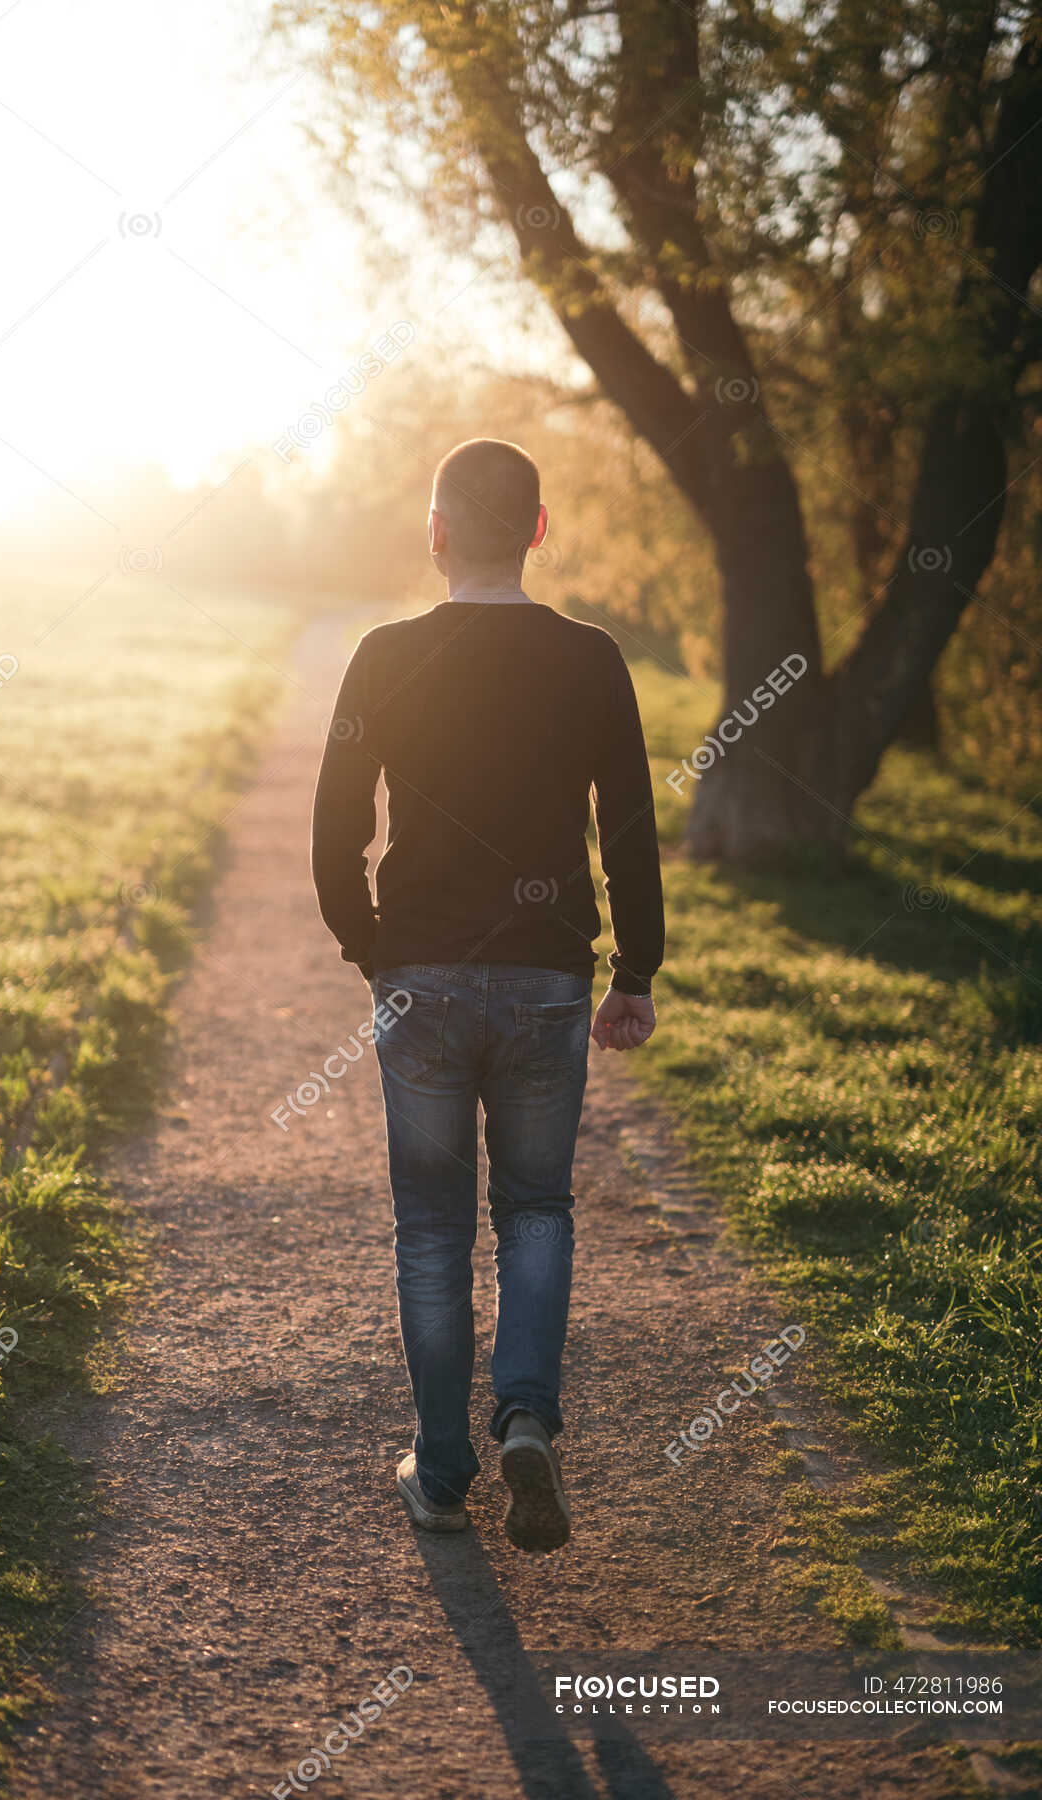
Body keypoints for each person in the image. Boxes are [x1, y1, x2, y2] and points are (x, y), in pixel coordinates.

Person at [311, 437, 664, 1553]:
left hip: (418, 976)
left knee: (429, 1230)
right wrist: (635, 969)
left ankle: (444, 1465)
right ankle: (525, 1416)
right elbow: (633, 824)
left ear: (437, 533)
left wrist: (369, 943)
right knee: (538, 1208)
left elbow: (336, 824)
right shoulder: (592, 657)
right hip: (548, 975)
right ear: (541, 530)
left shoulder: (380, 655)